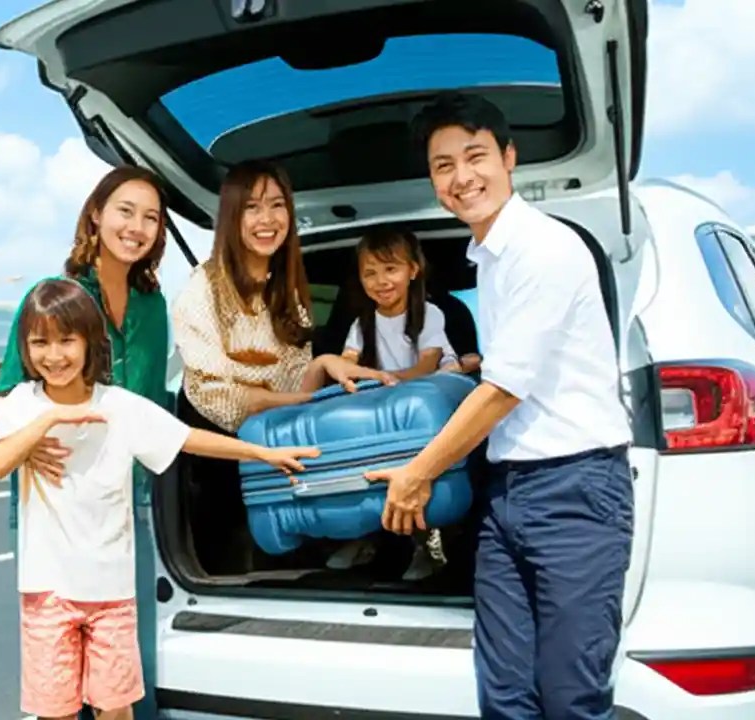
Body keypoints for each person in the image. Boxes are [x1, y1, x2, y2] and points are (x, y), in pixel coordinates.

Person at [363, 91, 633, 719]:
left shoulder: (542, 248)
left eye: (475, 156)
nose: (461, 178)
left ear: (509, 157)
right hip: (508, 490)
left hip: (576, 490)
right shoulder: (489, 258)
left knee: (571, 696)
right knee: (505, 694)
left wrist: (417, 473)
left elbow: (504, 388)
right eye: (442, 166)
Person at [0, 278, 319, 720]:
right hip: (47, 591)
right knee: (56, 713)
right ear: (25, 349)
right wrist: (53, 419)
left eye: (67, 340)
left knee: (116, 708)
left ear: (90, 342)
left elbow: (186, 438)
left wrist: (261, 452)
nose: (54, 355)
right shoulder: (22, 403)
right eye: (39, 342)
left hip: (110, 591)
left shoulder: (119, 405)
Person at [0, 165, 172, 720]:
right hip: (52, 496)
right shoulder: (55, 297)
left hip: (121, 505)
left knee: (124, 677)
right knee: (58, 680)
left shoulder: (153, 306)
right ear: (95, 213)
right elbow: (3, 396)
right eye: (125, 211)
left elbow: (152, 406)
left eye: (151, 218)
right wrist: (21, 437)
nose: (137, 227)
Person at [170, 159, 382, 573]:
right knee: (233, 576)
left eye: (276, 205)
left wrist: (323, 365)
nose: (267, 220)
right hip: (218, 462)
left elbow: (294, 385)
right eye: (252, 207)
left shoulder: (290, 295)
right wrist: (291, 400)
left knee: (290, 569)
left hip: (278, 454)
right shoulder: (203, 288)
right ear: (232, 216)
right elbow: (220, 397)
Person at [326, 228, 478, 577]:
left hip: (429, 399)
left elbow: (427, 365)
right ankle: (363, 533)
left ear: (413, 270)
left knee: (417, 463)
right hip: (388, 403)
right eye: (370, 273)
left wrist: (387, 380)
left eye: (390, 269)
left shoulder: (429, 314)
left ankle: (427, 545)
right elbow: (347, 358)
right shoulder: (362, 323)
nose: (381, 281)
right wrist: (349, 373)